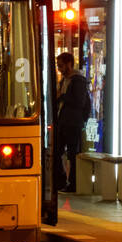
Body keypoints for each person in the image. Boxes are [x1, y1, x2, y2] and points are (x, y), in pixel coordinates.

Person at [54, 52, 91, 193]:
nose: (59, 69)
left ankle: (73, 183)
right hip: (63, 121)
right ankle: (62, 180)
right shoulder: (64, 80)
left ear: (69, 63)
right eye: (58, 66)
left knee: (72, 154)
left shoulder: (78, 80)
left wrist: (63, 97)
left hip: (73, 122)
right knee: (57, 151)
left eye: (61, 66)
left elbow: (79, 102)